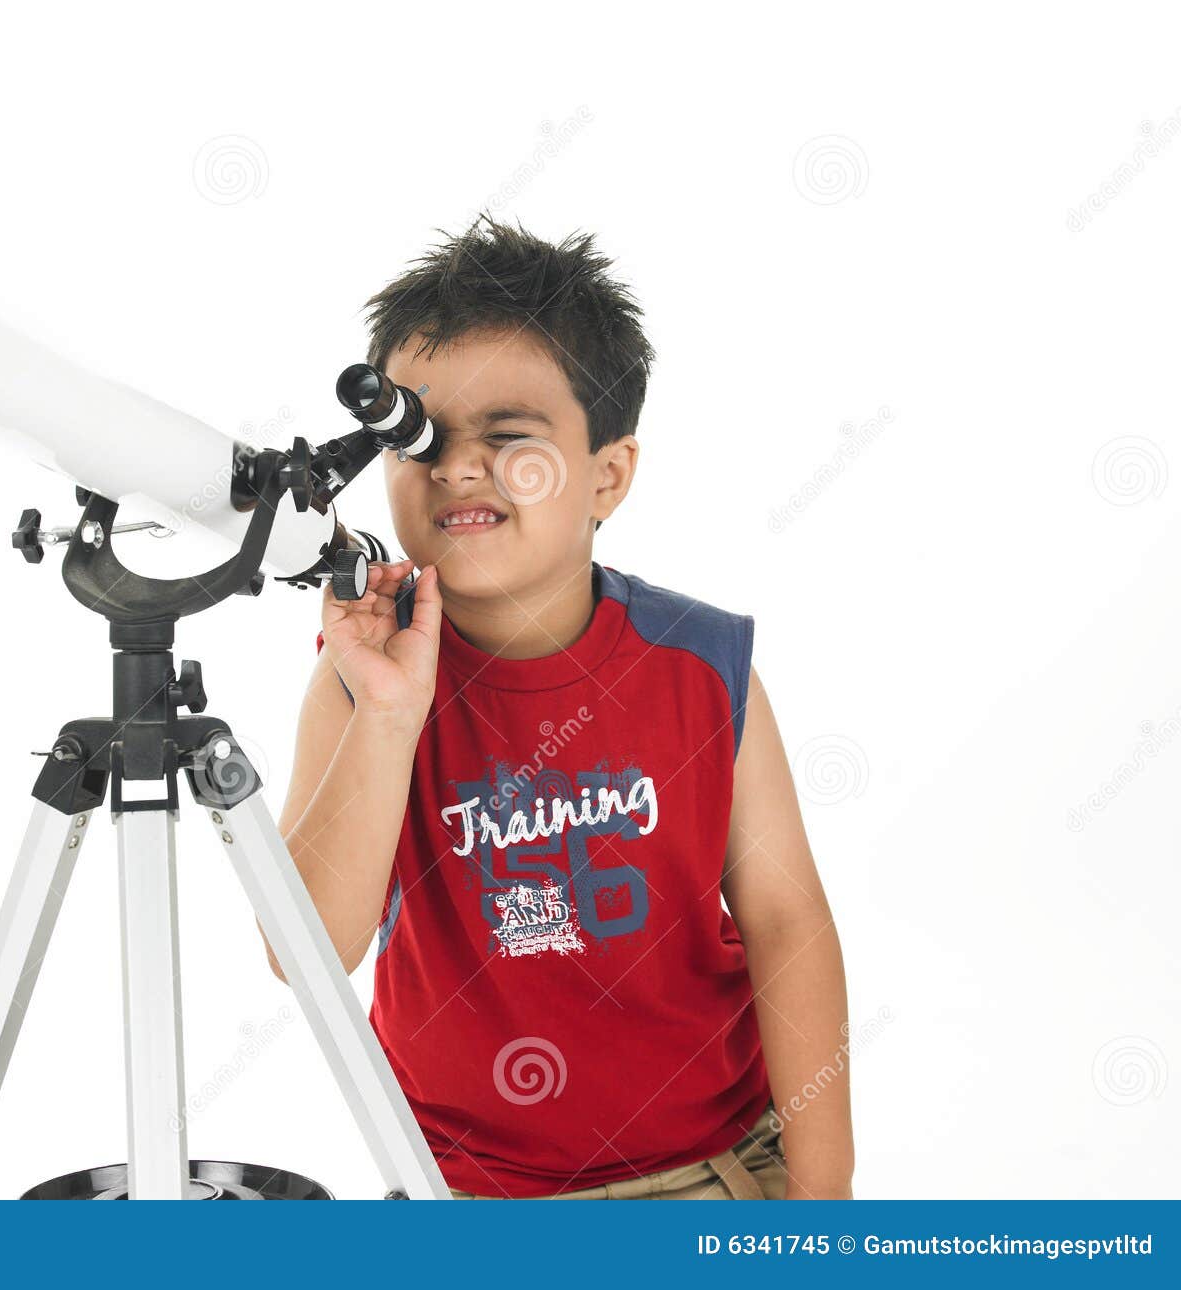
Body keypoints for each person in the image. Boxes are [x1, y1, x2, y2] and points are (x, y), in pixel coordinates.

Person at [269, 215, 853, 1200]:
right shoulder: (355, 675)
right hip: (464, 1193)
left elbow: (785, 920)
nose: (456, 467)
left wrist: (824, 1194)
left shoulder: (701, 665)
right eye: (421, 438)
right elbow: (308, 958)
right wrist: (383, 712)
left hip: (709, 1172)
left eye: (508, 439)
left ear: (606, 476)